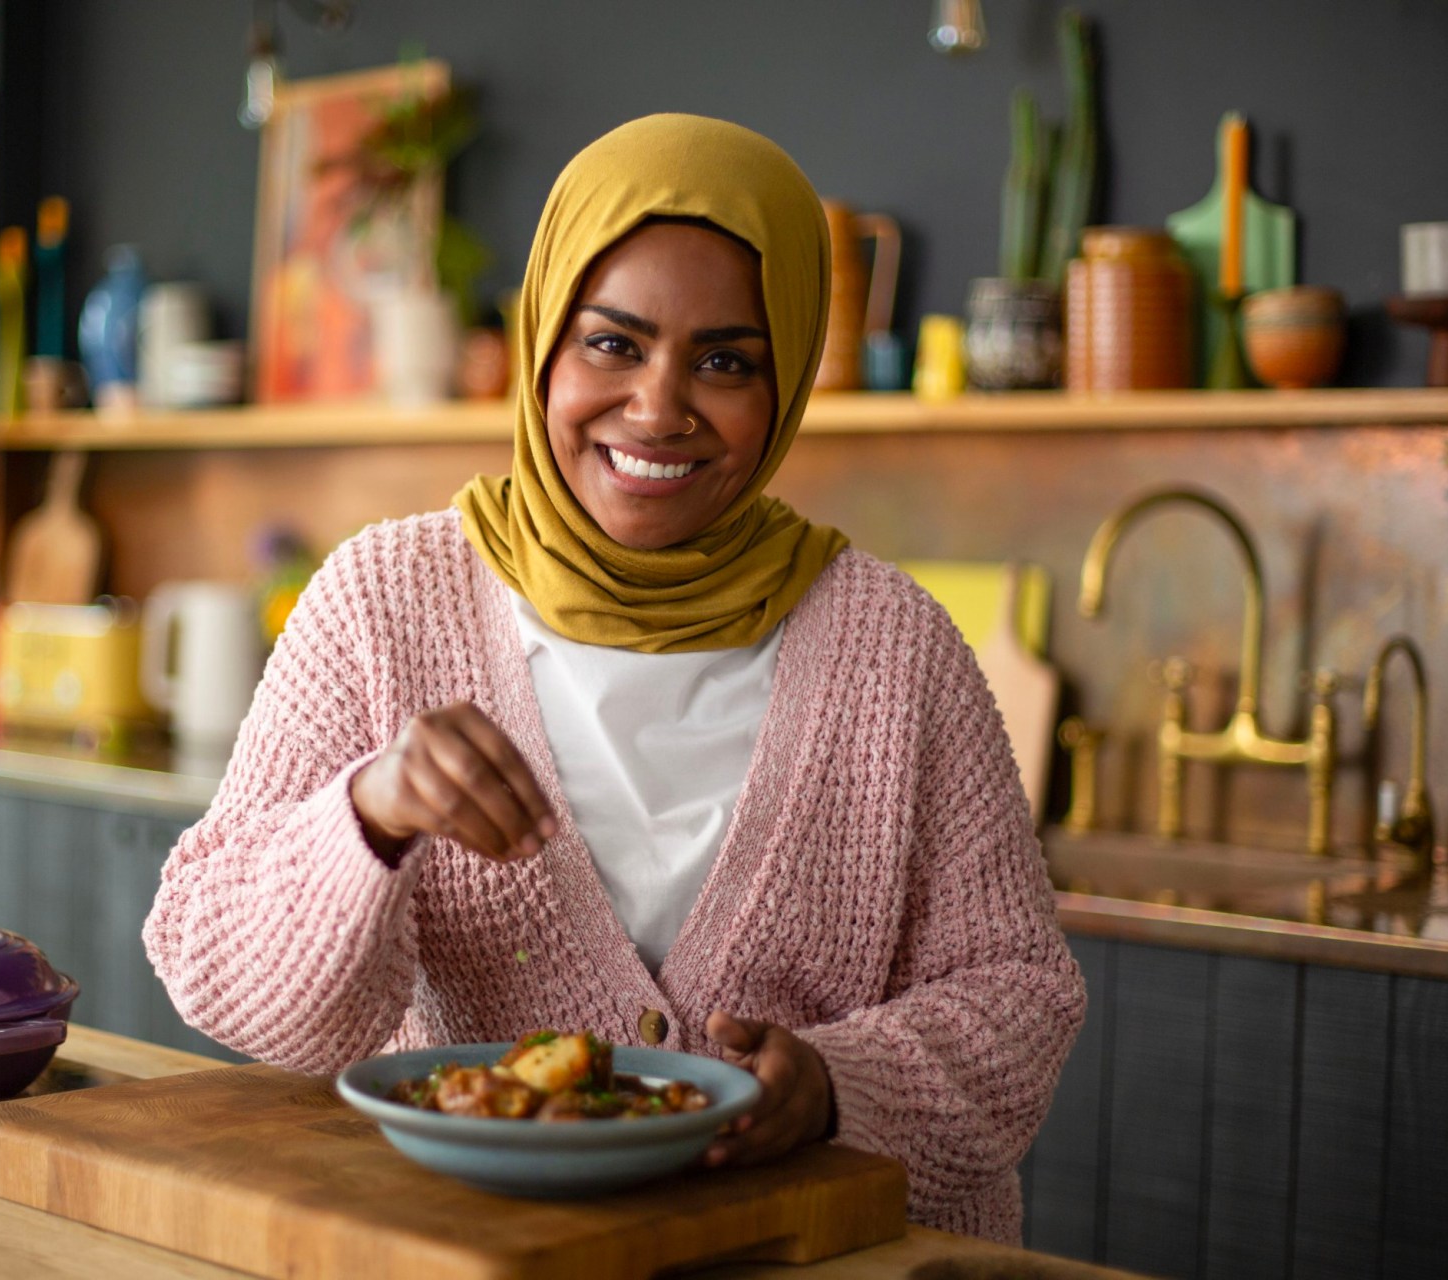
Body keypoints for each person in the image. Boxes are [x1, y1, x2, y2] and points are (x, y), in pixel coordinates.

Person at [145, 113, 1084, 1244]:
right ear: (542, 338)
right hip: (468, 1255)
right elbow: (214, 964)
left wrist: (836, 1087)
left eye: (727, 360)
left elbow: (1019, 995)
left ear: (784, 383)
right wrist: (369, 813)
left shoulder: (896, 648)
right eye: (612, 343)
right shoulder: (383, 602)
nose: (657, 407)